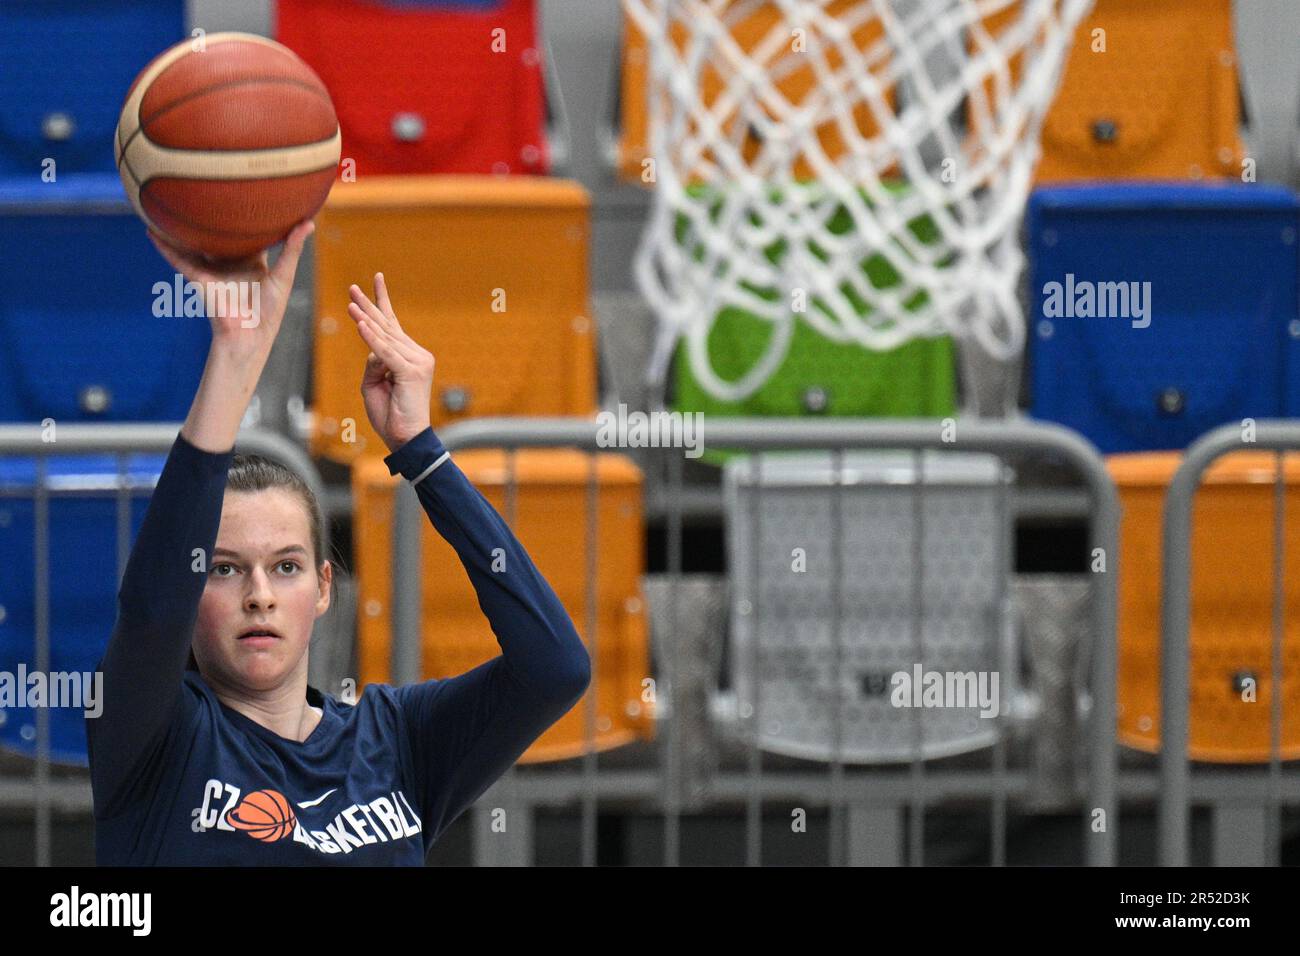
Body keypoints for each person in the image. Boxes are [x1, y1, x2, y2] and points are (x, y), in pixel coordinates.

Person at [86, 221, 590, 864]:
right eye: (224, 570)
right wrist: (235, 361)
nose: (259, 596)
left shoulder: (398, 741)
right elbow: (152, 610)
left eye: (286, 566)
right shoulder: (152, 738)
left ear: (324, 587)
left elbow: (555, 668)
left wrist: (424, 455)